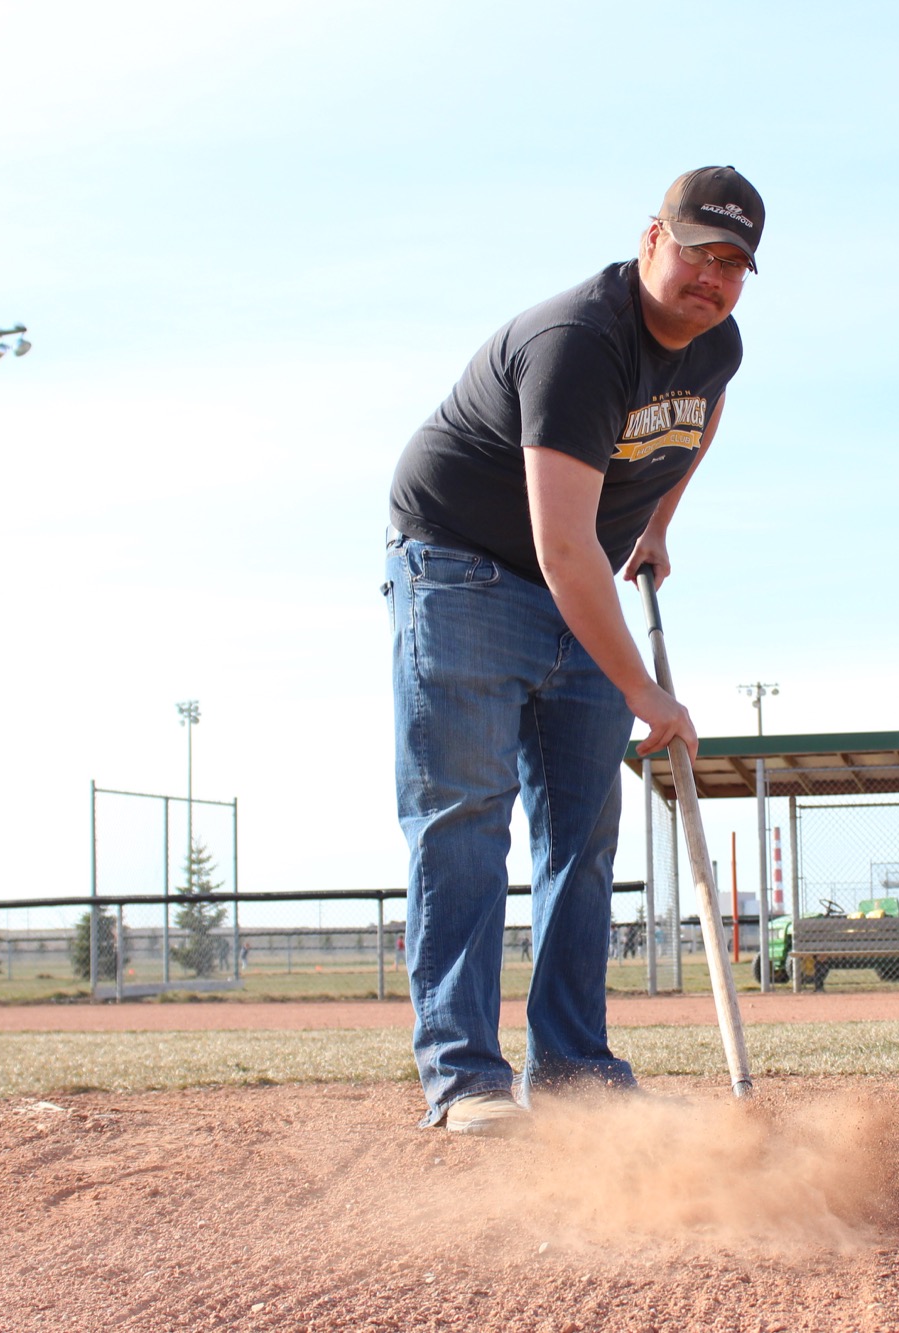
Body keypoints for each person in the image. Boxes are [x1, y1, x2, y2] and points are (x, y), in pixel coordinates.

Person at [384, 166, 764, 1136]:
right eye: (696, 252)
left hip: (582, 576)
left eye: (733, 264)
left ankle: (571, 1072)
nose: (711, 279)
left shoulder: (716, 346)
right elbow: (558, 545)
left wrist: (659, 522)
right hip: (465, 569)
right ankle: (466, 1081)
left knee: (581, 839)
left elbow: (700, 420)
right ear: (650, 240)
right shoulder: (576, 344)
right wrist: (644, 691)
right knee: (465, 817)